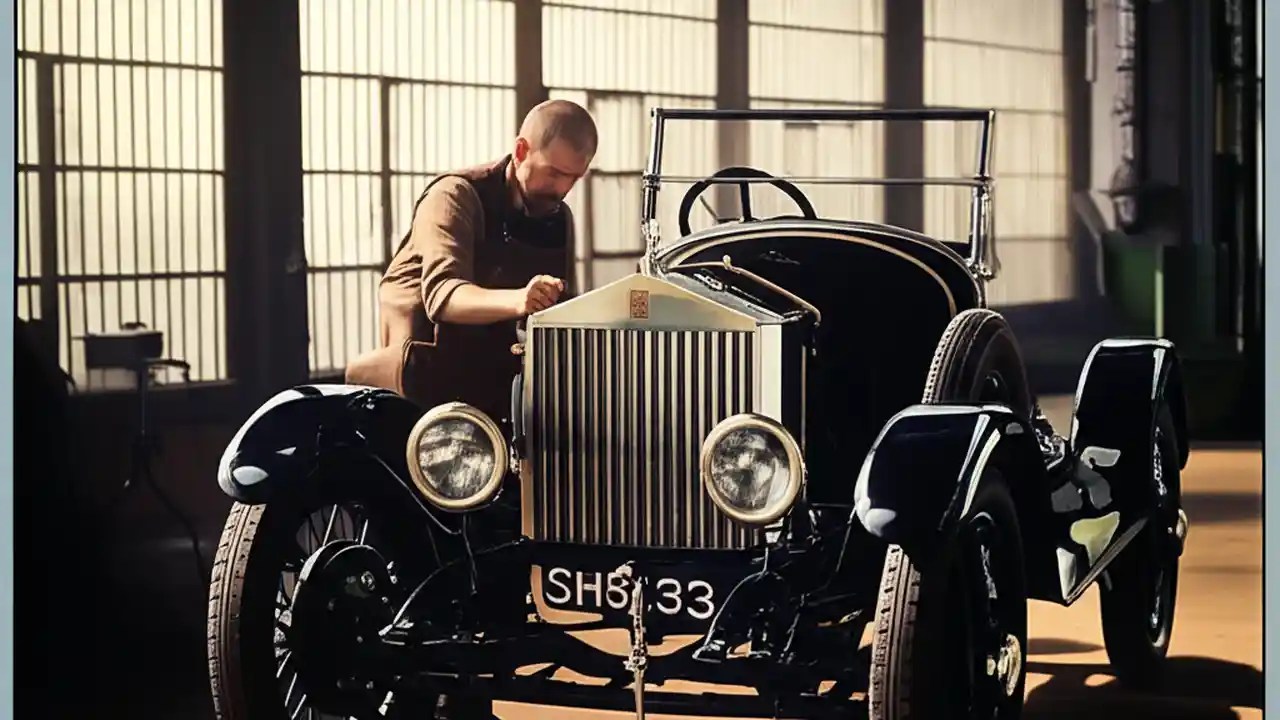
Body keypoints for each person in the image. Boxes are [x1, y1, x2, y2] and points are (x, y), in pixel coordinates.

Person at [346, 99, 597, 423]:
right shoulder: (455, 196)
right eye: (553, 173)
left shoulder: (557, 217)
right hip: (425, 379)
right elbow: (443, 296)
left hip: (503, 377)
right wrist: (522, 298)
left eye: (573, 178)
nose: (562, 189)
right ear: (521, 151)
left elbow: (559, 314)